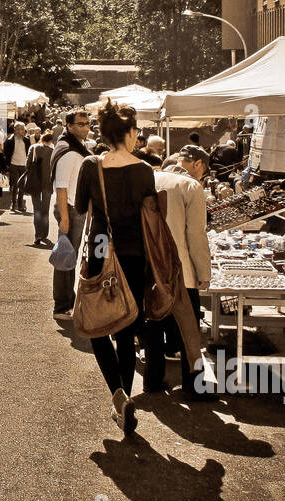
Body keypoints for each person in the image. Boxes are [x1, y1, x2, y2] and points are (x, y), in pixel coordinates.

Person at [73, 101, 158, 434]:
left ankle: (118, 394)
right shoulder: (143, 170)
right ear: (129, 133)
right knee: (125, 327)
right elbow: (150, 215)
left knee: (96, 326)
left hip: (100, 249)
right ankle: (125, 396)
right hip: (134, 255)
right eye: (136, 131)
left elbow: (81, 207)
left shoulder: (91, 166)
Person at [152, 153, 212, 397]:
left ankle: (153, 381)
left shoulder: (150, 179)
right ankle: (194, 386)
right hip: (180, 267)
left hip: (153, 264)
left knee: (154, 323)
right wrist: (203, 272)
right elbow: (196, 235)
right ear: (197, 167)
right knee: (189, 329)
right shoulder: (191, 186)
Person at [51, 111, 92, 319]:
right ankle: (61, 306)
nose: (84, 127)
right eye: (80, 124)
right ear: (68, 125)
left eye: (87, 124)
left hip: (74, 209)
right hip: (70, 209)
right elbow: (61, 187)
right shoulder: (68, 150)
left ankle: (68, 298)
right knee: (66, 257)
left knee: (69, 256)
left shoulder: (73, 146)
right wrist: (65, 218)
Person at [24, 131, 55, 247]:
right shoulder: (52, 152)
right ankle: (44, 233)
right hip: (47, 183)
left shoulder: (33, 148)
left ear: (41, 138)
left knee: (37, 210)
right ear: (51, 141)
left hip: (35, 182)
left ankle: (37, 235)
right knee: (45, 210)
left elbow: (27, 164)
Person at [4, 121, 30, 214]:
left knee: (22, 186)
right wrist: (8, 164)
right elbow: (6, 153)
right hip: (13, 164)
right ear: (15, 130)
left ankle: (20, 205)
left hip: (23, 165)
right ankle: (13, 204)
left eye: (22, 129)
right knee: (15, 185)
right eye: (19, 129)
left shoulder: (27, 140)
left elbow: (29, 153)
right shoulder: (10, 140)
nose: (21, 131)